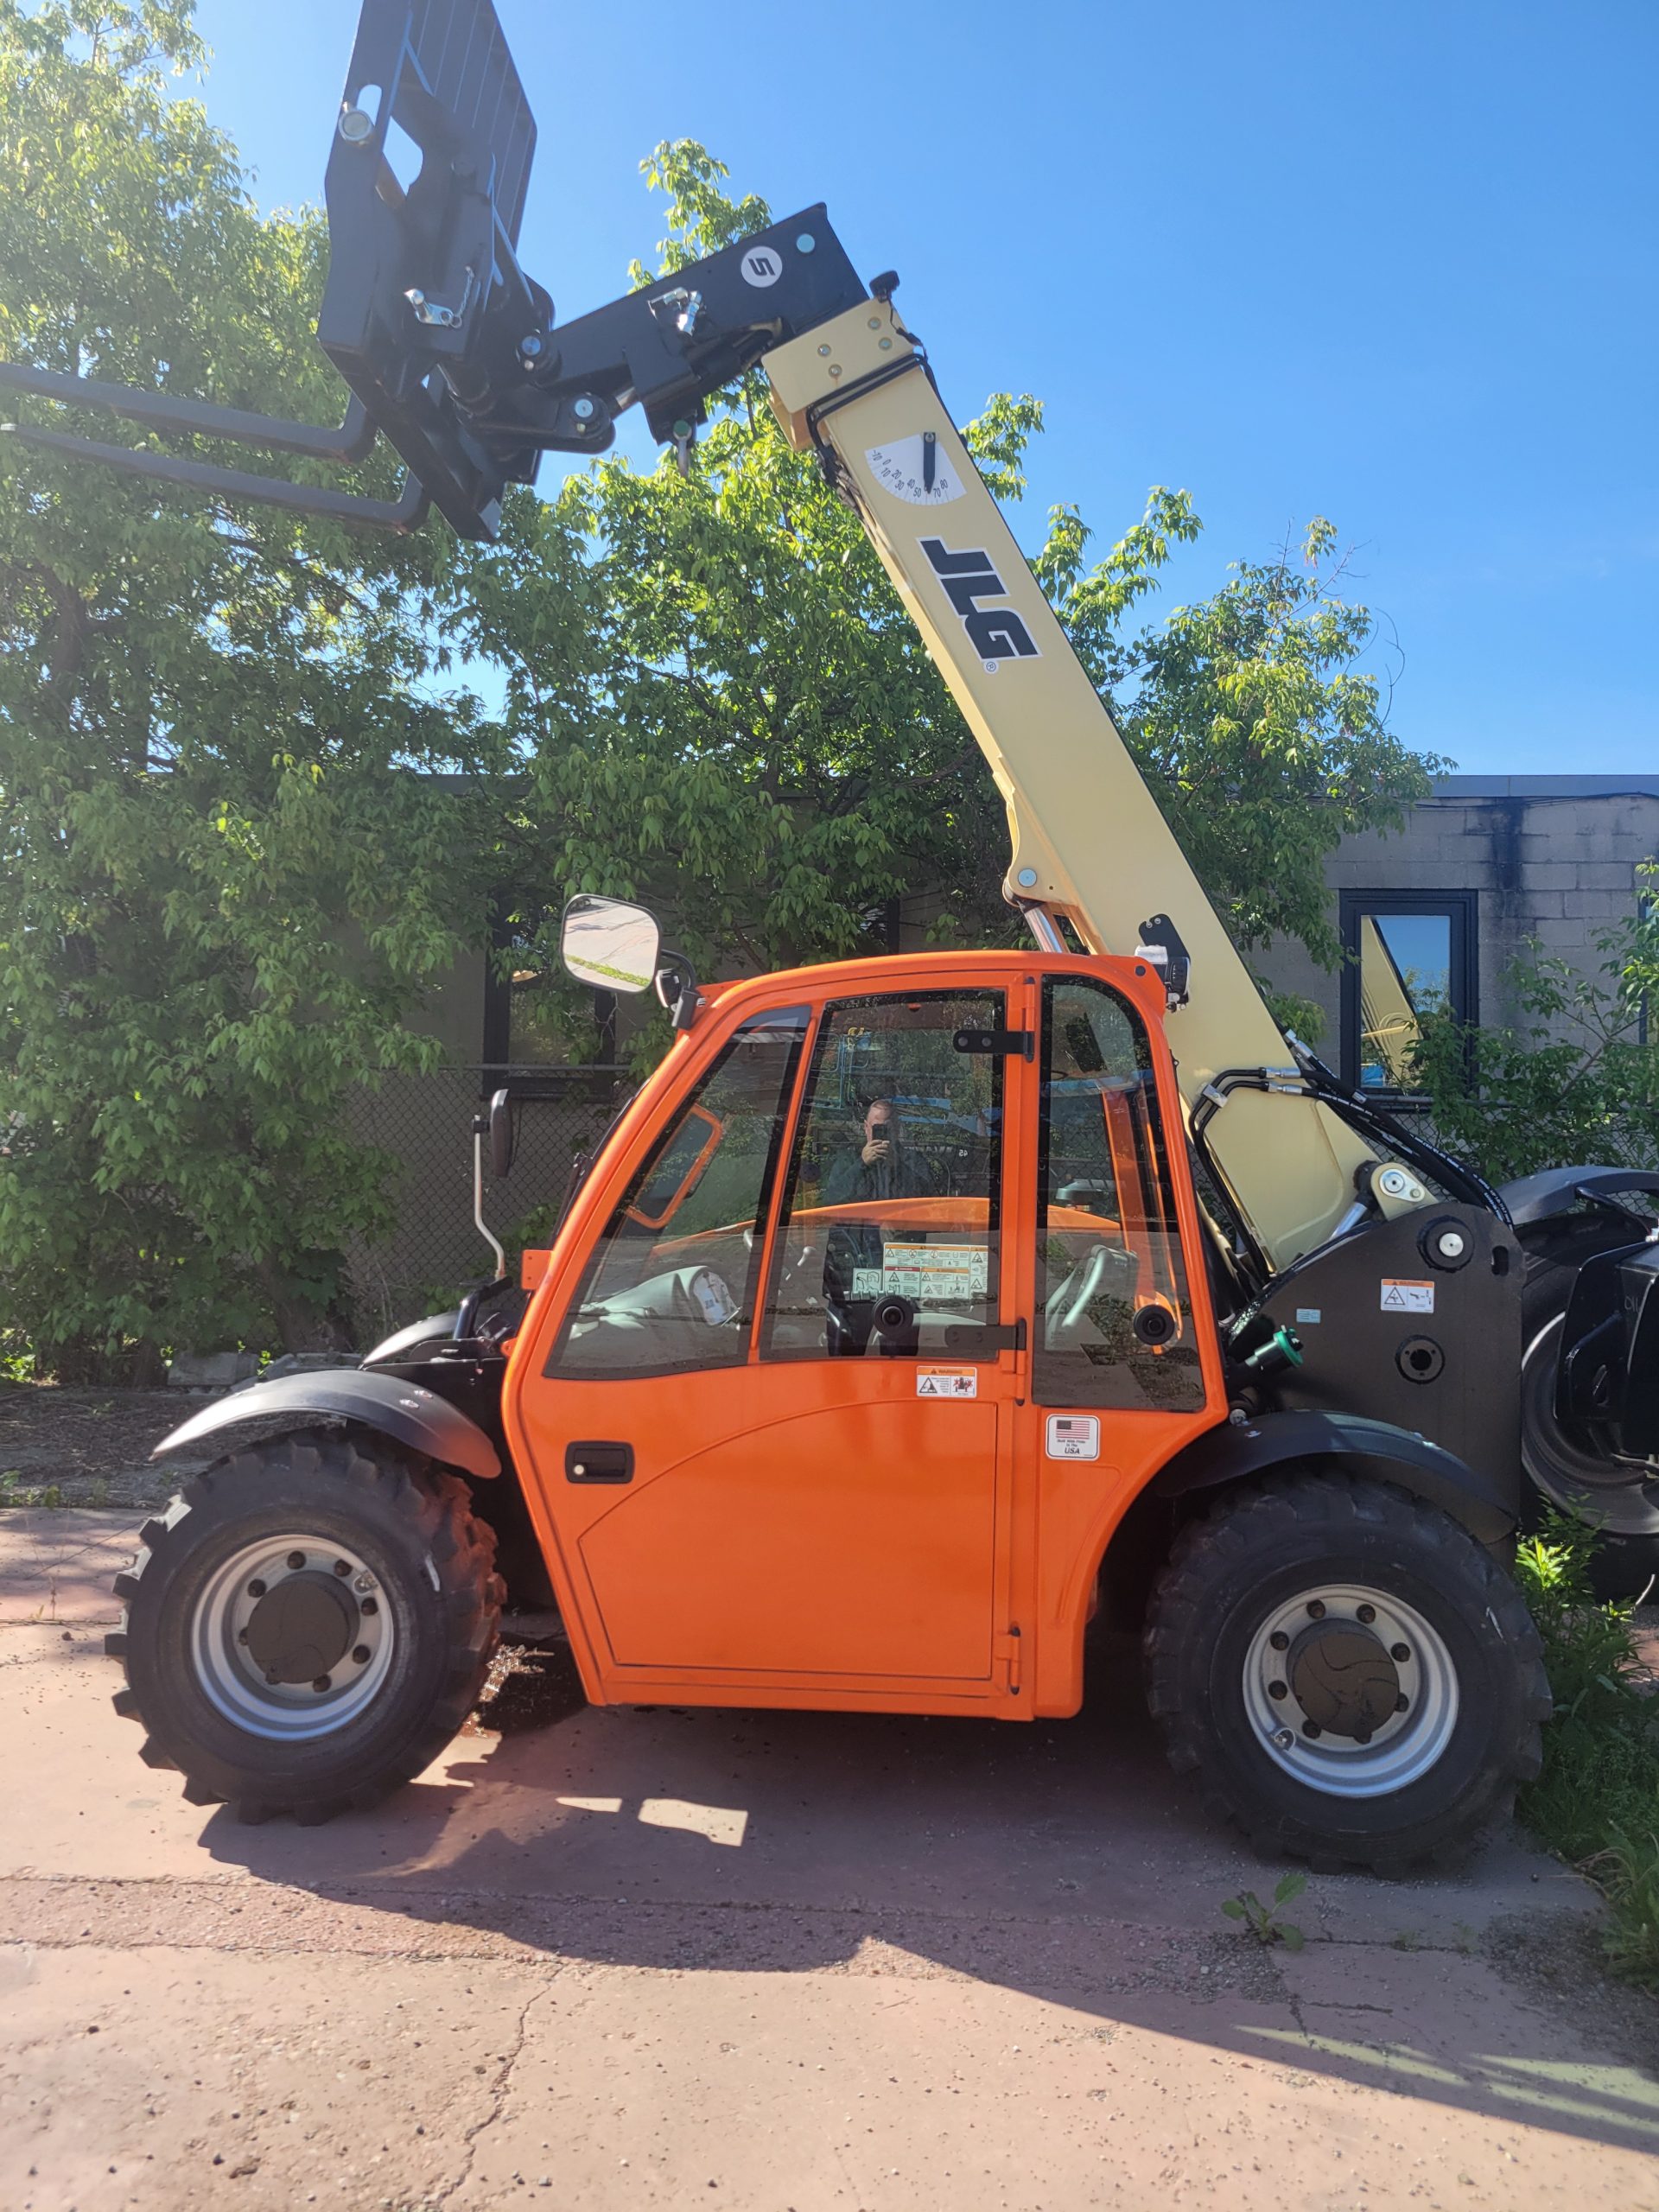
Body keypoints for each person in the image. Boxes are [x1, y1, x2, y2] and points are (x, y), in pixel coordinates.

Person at [822, 1096, 942, 1203]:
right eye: (877, 1128)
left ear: (897, 1128)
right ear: (866, 1127)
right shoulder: (849, 1159)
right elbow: (831, 1199)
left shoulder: (913, 1160)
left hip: (898, 1225)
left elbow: (928, 1197)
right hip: (860, 1226)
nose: (882, 1133)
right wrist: (861, 1164)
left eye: (887, 1128)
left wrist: (897, 1166)